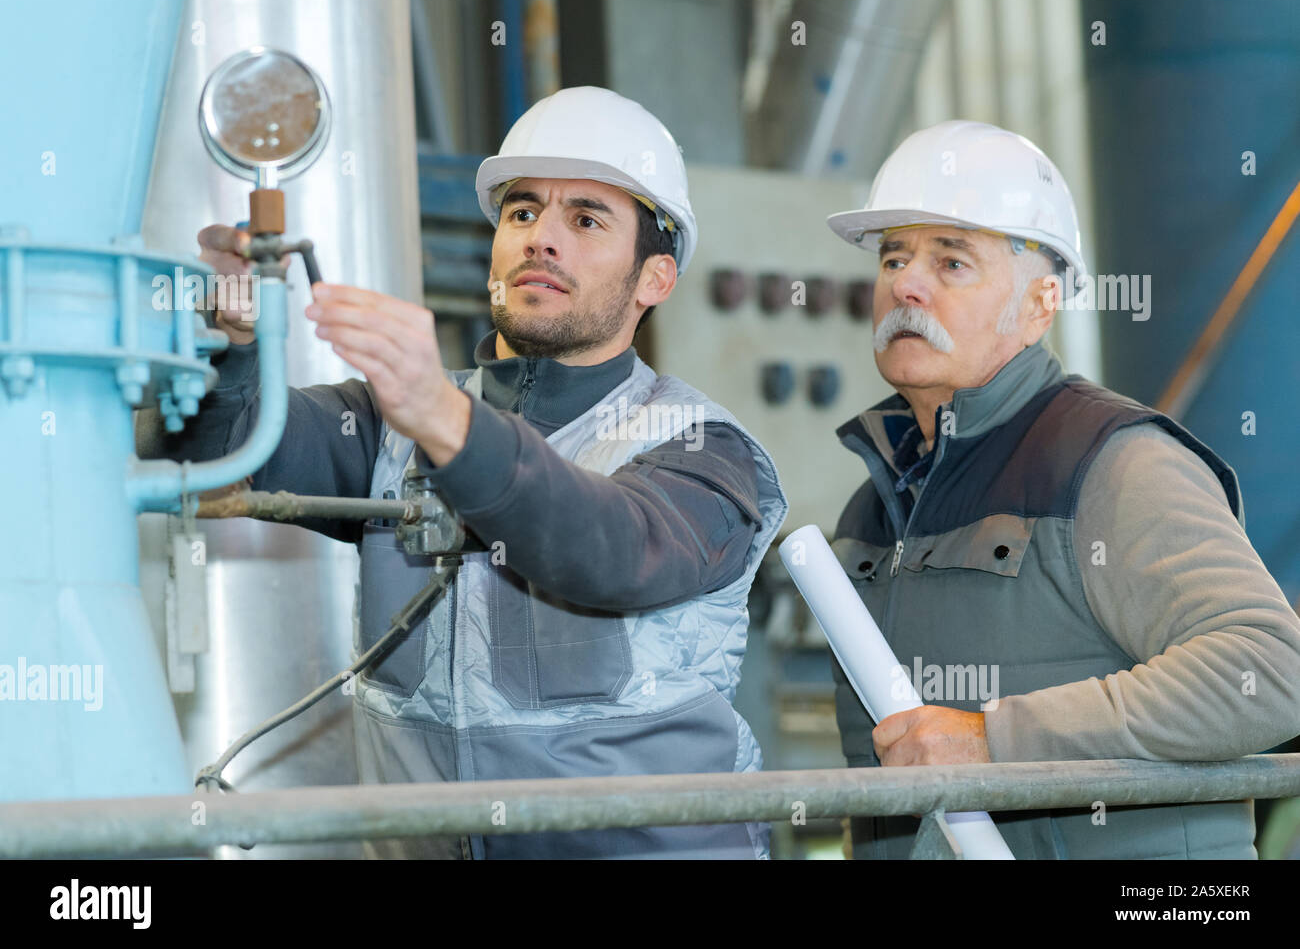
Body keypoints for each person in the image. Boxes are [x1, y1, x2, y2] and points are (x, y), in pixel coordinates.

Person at [141, 86, 787, 859]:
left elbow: (609, 549)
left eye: (585, 219)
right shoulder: (391, 424)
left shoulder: (702, 447)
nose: (541, 238)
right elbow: (221, 449)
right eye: (521, 212)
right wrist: (228, 341)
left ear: (654, 279)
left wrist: (446, 421)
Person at [823, 119, 1300, 859]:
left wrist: (996, 741)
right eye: (894, 257)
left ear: (1041, 305)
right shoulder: (870, 510)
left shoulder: (1113, 463)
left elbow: (1269, 669)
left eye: (952, 262)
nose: (906, 284)